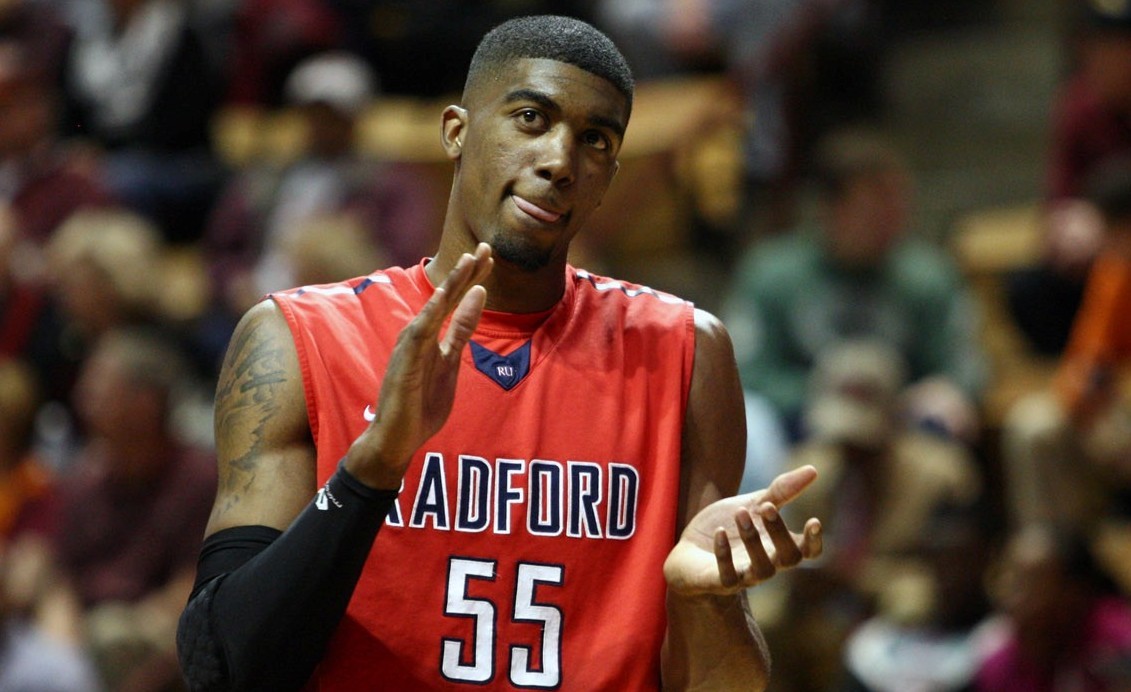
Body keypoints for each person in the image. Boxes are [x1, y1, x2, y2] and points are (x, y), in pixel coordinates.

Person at [177, 14, 823, 691]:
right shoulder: (296, 338)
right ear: (456, 131)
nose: (559, 161)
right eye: (530, 119)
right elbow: (223, 670)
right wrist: (371, 468)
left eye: (595, 140)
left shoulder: (685, 351)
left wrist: (706, 601)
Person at [722, 127, 987, 444]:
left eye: (898, 202)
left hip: (902, 427)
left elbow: (964, 360)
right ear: (828, 210)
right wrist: (817, 395)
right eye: (874, 206)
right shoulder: (772, 275)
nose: (893, 217)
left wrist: (950, 389)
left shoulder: (928, 275)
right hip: (804, 427)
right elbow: (745, 370)